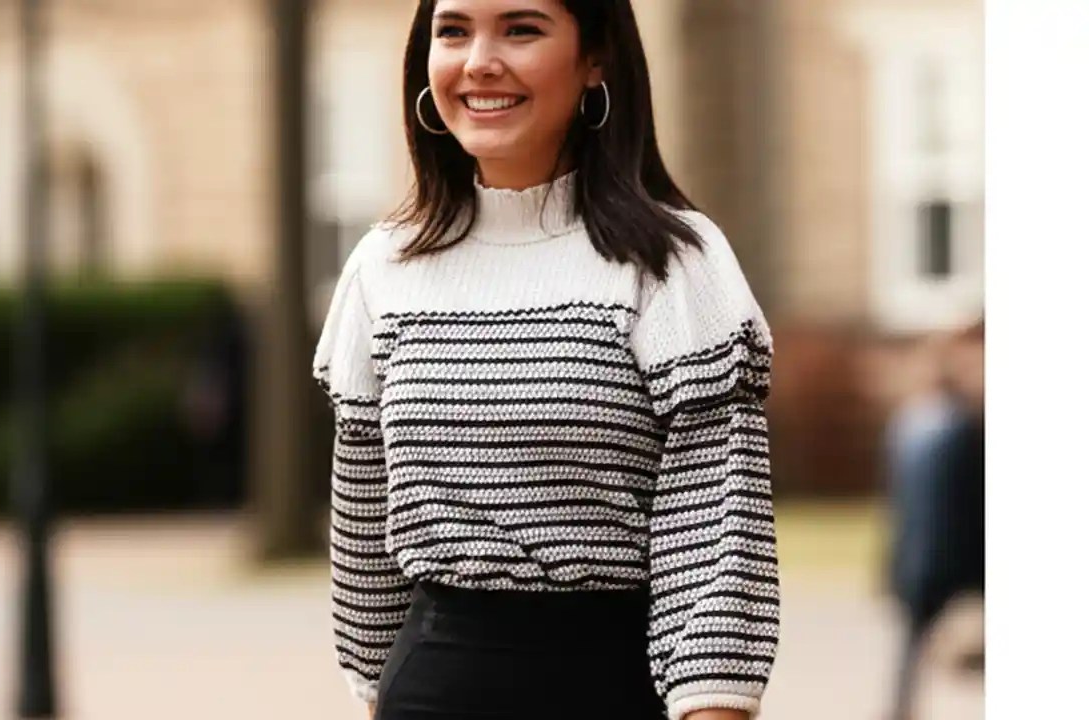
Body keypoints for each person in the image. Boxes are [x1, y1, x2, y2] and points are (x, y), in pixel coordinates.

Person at [311, 2, 778, 718]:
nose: (479, 61)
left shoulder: (675, 263)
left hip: (613, 688)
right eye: (454, 31)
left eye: (521, 29)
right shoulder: (383, 268)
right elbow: (363, 545)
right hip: (429, 692)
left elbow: (717, 538)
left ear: (596, 59)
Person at [883, 320, 984, 720]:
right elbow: (968, 507)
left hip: (913, 558)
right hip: (948, 562)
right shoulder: (960, 427)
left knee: (913, 649)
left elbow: (897, 502)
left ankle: (901, 709)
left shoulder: (906, 424)